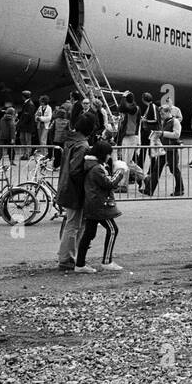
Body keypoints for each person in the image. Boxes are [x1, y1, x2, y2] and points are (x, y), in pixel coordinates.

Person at [74, 143, 126, 273]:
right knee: (113, 230)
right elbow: (109, 183)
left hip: (91, 203)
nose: (109, 156)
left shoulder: (90, 165)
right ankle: (107, 261)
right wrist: (120, 171)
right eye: (108, 154)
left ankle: (80, 264)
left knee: (89, 234)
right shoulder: (97, 168)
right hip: (99, 205)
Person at [56, 112, 92, 271]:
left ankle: (67, 255)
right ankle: (67, 258)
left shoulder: (69, 141)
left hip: (65, 186)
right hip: (75, 189)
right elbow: (76, 170)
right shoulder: (82, 146)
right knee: (74, 225)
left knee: (71, 223)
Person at [146, 102, 184, 196]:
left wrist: (162, 133)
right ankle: (149, 190)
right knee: (156, 169)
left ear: (168, 112)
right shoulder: (165, 122)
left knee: (174, 169)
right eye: (161, 114)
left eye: (162, 114)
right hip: (163, 149)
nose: (161, 116)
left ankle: (180, 189)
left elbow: (176, 135)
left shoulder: (175, 121)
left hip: (171, 149)